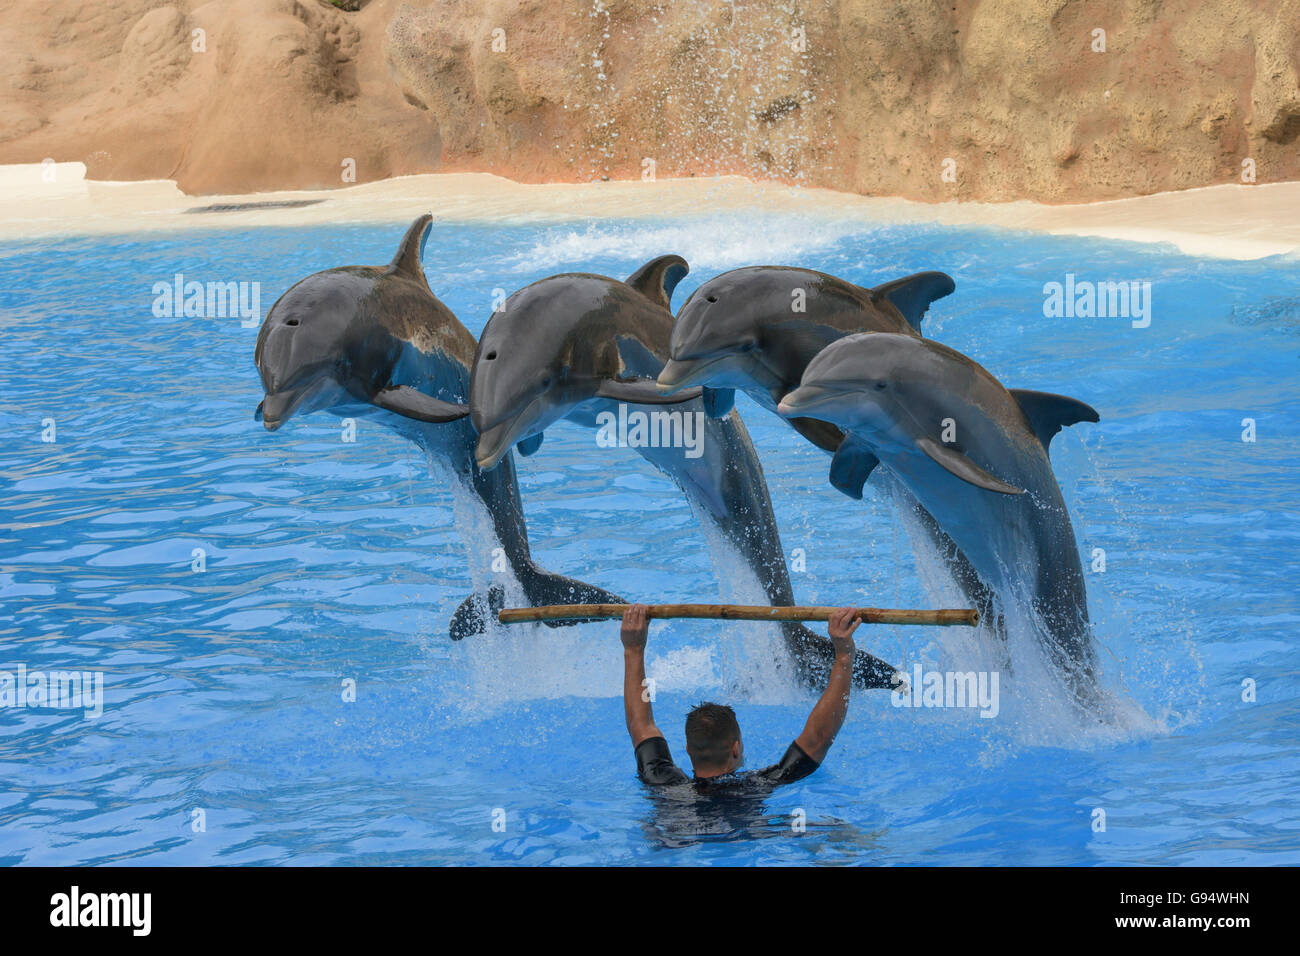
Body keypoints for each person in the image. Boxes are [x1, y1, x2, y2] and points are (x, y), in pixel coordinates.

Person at [620, 604, 861, 791]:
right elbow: (819, 737)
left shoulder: (662, 783)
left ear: (688, 749)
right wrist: (843, 655)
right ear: (736, 748)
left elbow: (640, 726)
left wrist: (633, 649)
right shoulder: (757, 787)